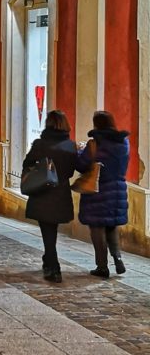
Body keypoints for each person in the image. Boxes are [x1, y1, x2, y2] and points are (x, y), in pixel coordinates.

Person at [21, 110, 77, 283]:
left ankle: (53, 267)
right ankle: (48, 261)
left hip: (42, 192)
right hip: (61, 194)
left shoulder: (40, 144)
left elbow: (27, 163)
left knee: (48, 232)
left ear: (48, 124)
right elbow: (71, 170)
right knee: (51, 230)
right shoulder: (70, 146)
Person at [76, 110, 129, 278]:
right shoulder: (124, 143)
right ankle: (118, 259)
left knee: (97, 228)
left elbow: (81, 165)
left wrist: (79, 151)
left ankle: (102, 266)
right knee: (112, 226)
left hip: (97, 191)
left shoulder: (94, 144)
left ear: (96, 124)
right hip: (118, 189)